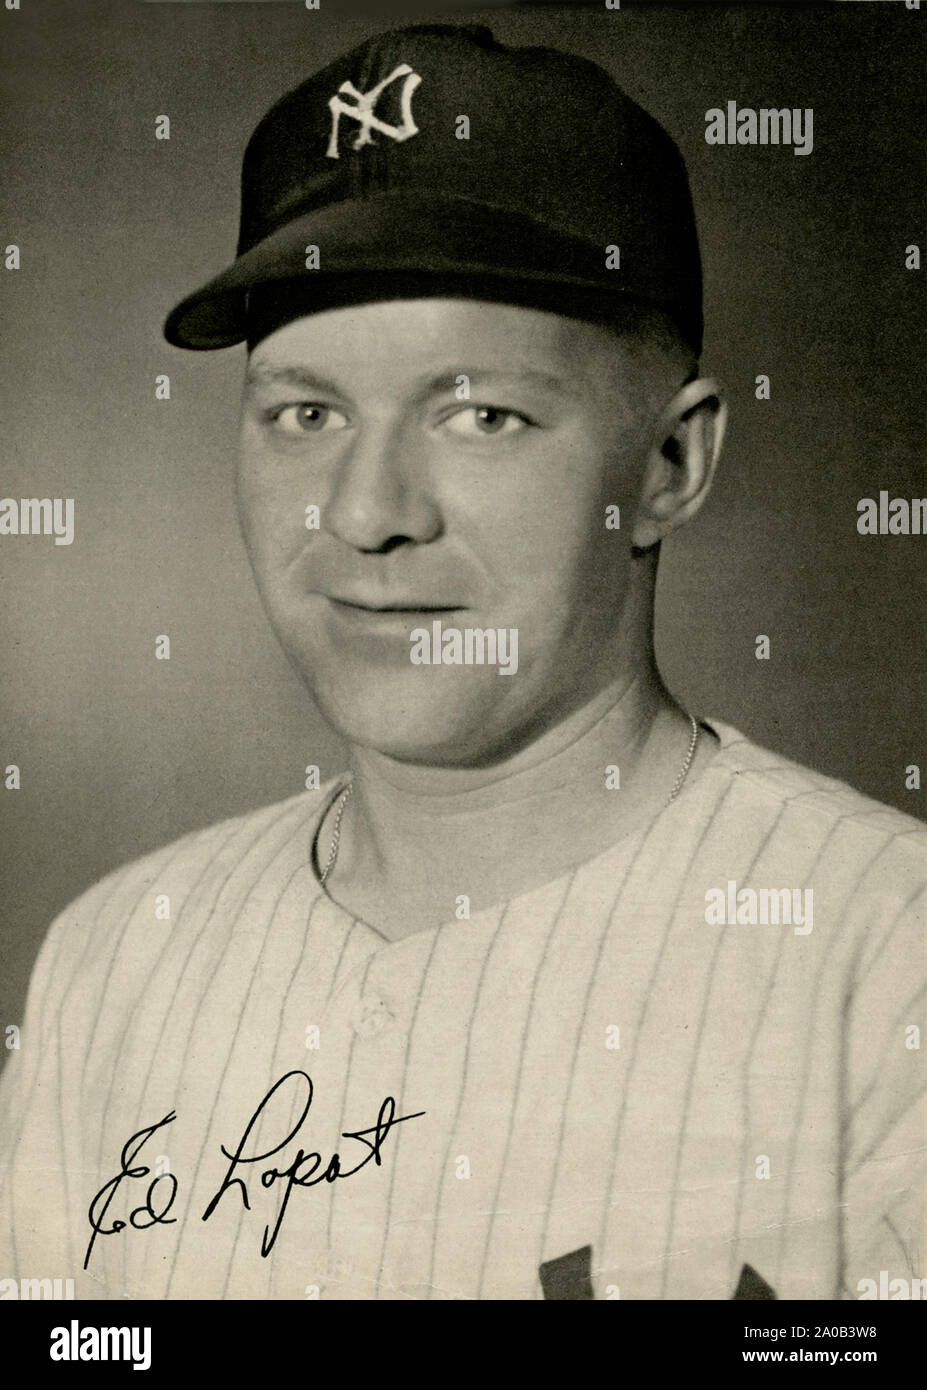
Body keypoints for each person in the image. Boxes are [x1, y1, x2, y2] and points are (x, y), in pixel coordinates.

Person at [1, 23, 924, 1303]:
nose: (368, 512)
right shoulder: (110, 962)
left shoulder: (889, 963)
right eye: (305, 413)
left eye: (481, 413)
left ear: (671, 466)